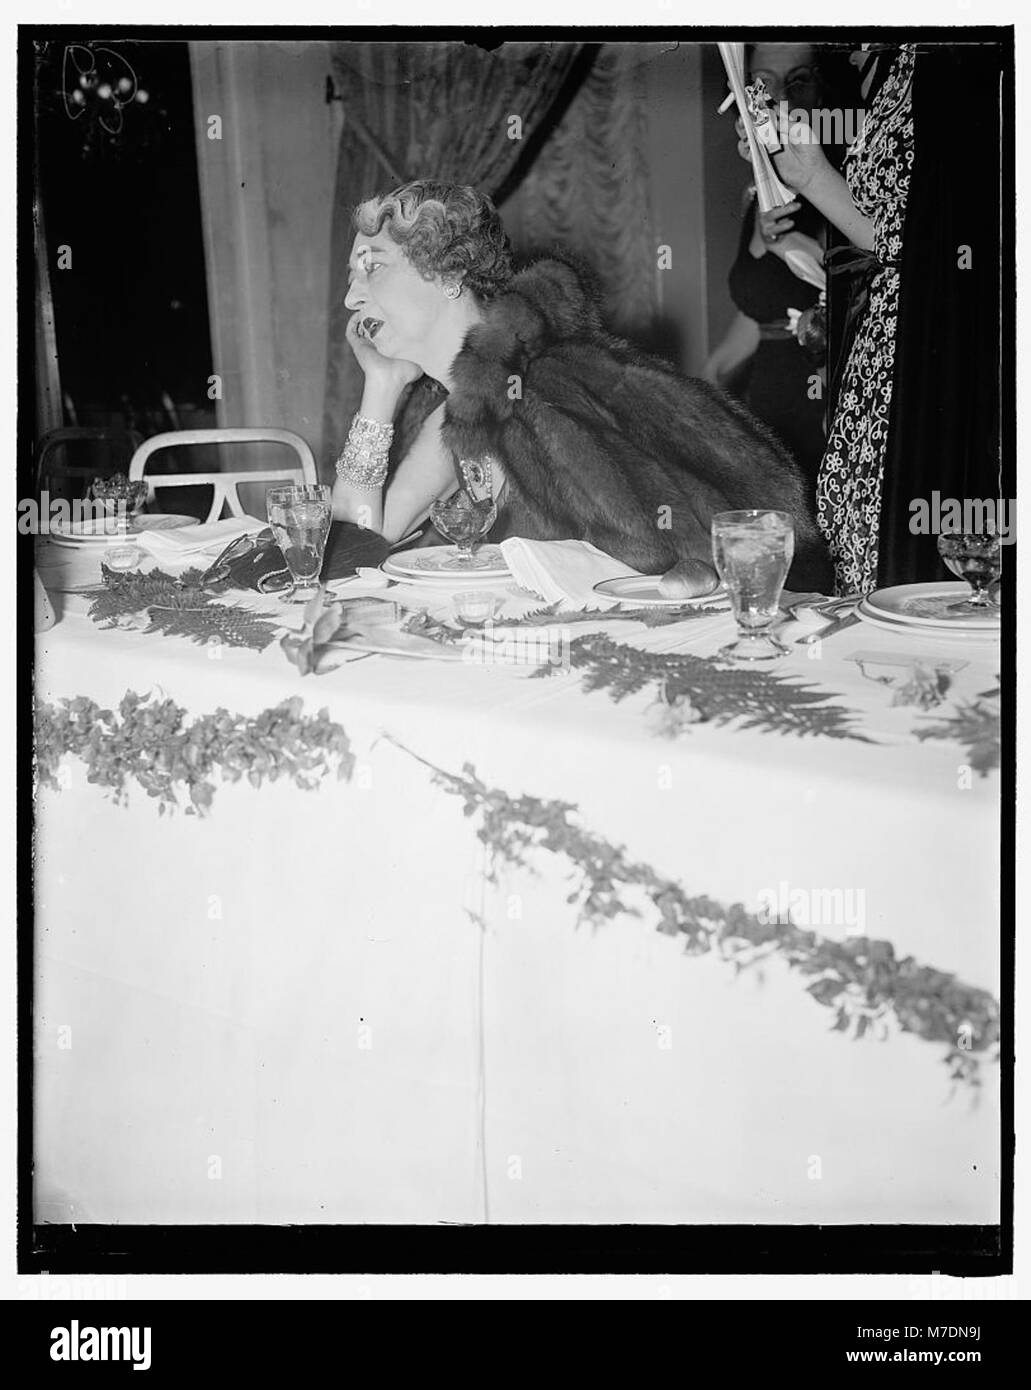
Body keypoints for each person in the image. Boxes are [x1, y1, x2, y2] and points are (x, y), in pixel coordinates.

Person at [332, 179, 833, 592]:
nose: (353, 297)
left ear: (447, 272)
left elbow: (677, 559)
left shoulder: (547, 385)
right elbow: (354, 548)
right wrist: (380, 386)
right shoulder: (467, 409)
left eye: (371, 267)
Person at [703, 42, 860, 492]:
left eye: (799, 80)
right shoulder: (756, 194)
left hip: (826, 414)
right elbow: (764, 314)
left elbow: (853, 291)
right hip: (768, 416)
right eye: (763, 84)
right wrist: (707, 384)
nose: (780, 100)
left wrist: (792, 241)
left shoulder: (840, 181)